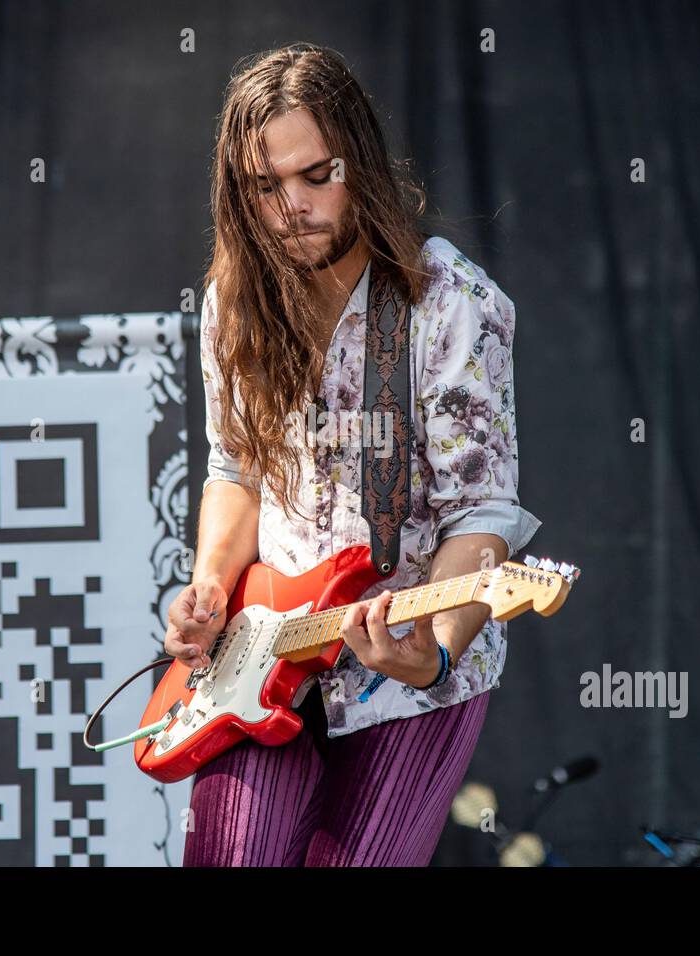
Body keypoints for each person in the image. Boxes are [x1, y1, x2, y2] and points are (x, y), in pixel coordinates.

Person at [165, 43, 541, 866]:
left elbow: (480, 514)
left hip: (405, 675)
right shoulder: (234, 303)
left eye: (316, 175)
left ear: (359, 162)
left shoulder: (449, 304)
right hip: (261, 656)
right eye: (265, 187)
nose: (291, 206)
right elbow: (236, 473)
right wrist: (207, 584)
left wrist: (434, 645)